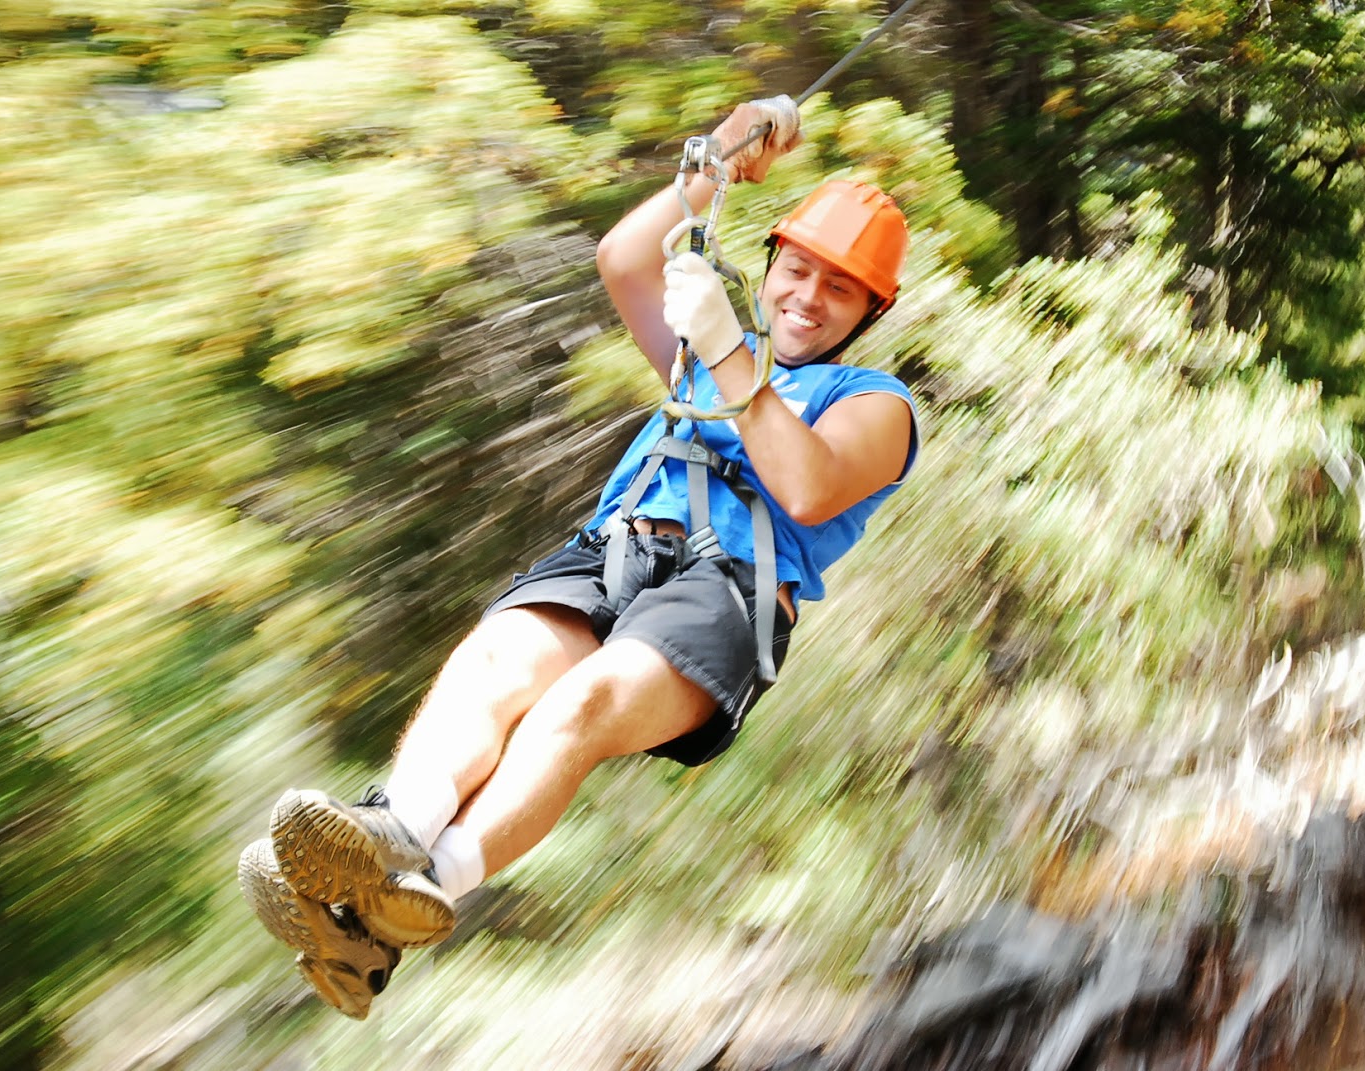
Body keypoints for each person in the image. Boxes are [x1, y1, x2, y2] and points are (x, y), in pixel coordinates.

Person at [237, 94, 920, 1019]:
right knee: (497, 659)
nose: (806, 296)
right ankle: (383, 856)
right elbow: (625, 258)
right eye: (797, 269)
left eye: (838, 288)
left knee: (582, 703)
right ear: (770, 265)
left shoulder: (876, 403)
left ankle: (416, 891)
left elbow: (805, 486)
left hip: (729, 589)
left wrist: (725, 345)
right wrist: (722, 154)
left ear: (871, 309)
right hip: (618, 548)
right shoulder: (706, 355)